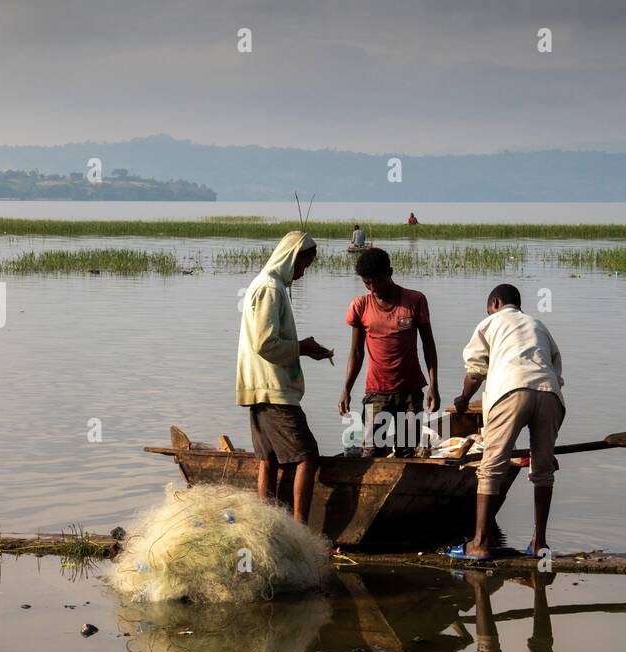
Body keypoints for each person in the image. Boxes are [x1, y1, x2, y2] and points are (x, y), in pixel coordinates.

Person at [451, 283, 564, 560]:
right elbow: (554, 369)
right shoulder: (538, 325)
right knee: (543, 470)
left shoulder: (491, 323)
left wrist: (463, 399)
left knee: (490, 468)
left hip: (511, 390)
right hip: (550, 394)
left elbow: (476, 372)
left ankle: (479, 543)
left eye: (488, 307)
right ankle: (539, 544)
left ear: (496, 303)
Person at [235, 230, 333, 523]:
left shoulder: (266, 283)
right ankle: (299, 528)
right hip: (274, 390)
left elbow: (268, 340)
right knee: (307, 455)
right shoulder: (270, 287)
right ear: (292, 257)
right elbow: (265, 343)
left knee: (268, 459)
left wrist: (303, 348)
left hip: (259, 388)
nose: (303, 273)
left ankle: (266, 525)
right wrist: (302, 347)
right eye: (303, 265)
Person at [339, 247, 439, 457]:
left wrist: (433, 386)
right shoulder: (360, 306)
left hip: (410, 392)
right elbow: (356, 352)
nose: (373, 287)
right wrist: (346, 389)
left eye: (377, 281)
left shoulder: (414, 301)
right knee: (372, 452)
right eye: (367, 283)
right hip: (377, 392)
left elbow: (428, 345)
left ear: (390, 272)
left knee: (407, 451)